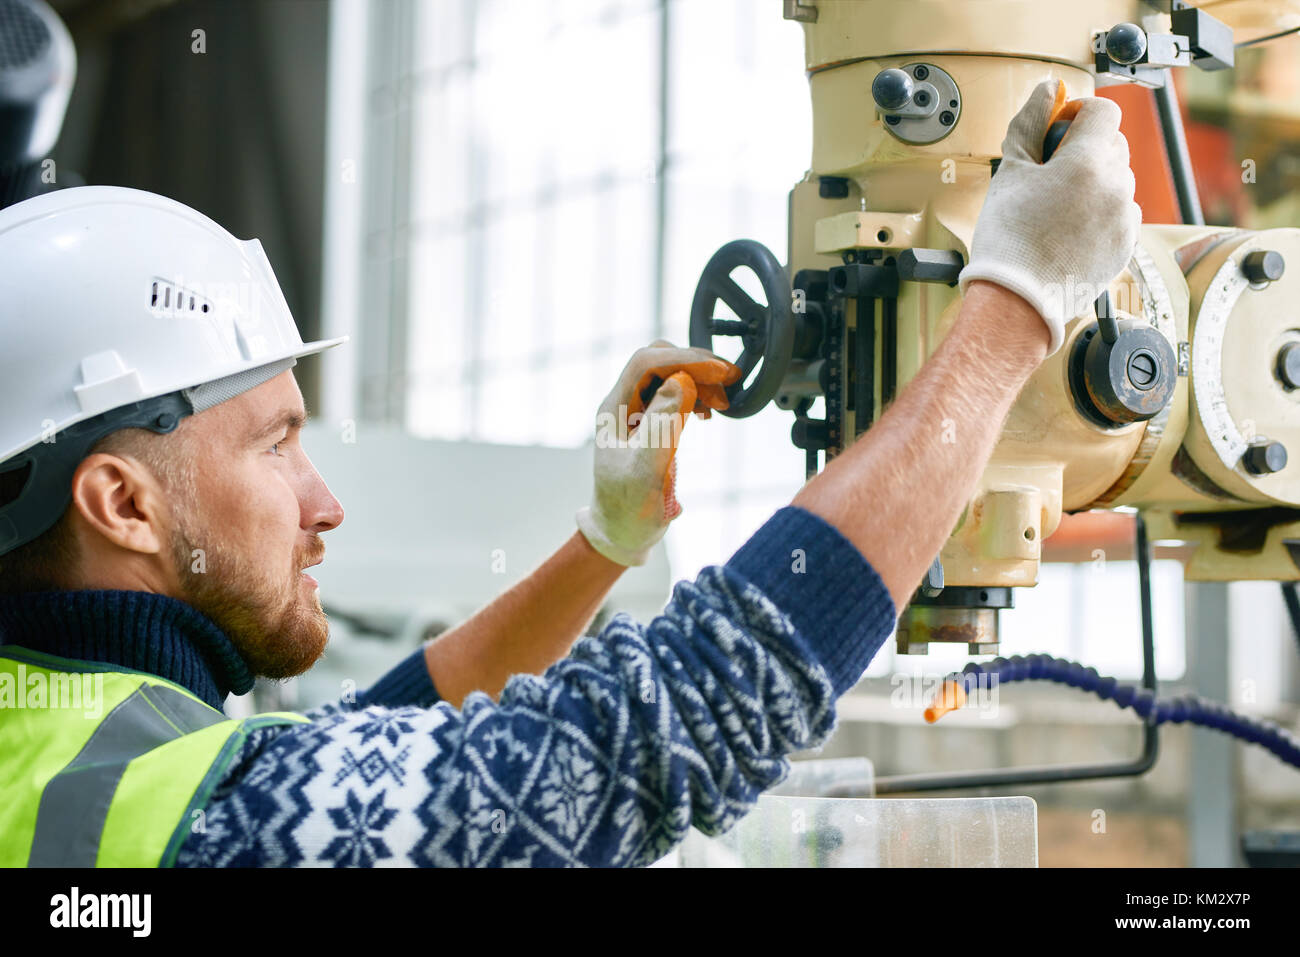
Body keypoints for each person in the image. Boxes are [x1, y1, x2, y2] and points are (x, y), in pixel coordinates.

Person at [0, 80, 1138, 866]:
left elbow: (371, 745)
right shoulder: (171, 825)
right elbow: (676, 722)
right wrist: (1012, 312)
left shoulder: (72, 744)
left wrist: (606, 540)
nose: (324, 501)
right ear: (123, 503)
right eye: (274, 443)